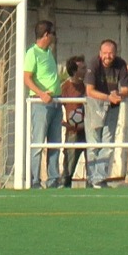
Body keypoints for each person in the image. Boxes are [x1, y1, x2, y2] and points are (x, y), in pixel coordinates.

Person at [83, 39, 128, 187]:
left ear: (115, 54)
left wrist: (119, 95)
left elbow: (126, 90)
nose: (107, 56)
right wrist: (108, 97)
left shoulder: (121, 64)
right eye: (105, 53)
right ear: (100, 53)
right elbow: (89, 90)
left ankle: (99, 178)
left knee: (108, 144)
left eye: (111, 53)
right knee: (93, 144)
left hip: (112, 107)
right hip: (94, 106)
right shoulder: (93, 64)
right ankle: (92, 179)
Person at [22, 21, 61, 188]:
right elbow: (26, 78)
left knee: (55, 143)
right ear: (46, 34)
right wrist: (41, 94)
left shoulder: (49, 53)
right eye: (53, 33)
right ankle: (34, 180)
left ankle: (53, 179)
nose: (54, 37)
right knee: (37, 143)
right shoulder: (32, 53)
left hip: (56, 103)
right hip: (40, 105)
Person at [56, 56, 87, 189]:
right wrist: (64, 123)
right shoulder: (65, 87)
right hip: (73, 131)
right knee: (69, 162)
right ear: (74, 71)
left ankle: (93, 185)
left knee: (92, 160)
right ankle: (64, 184)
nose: (86, 70)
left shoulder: (88, 86)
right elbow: (56, 106)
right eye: (83, 68)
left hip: (89, 129)